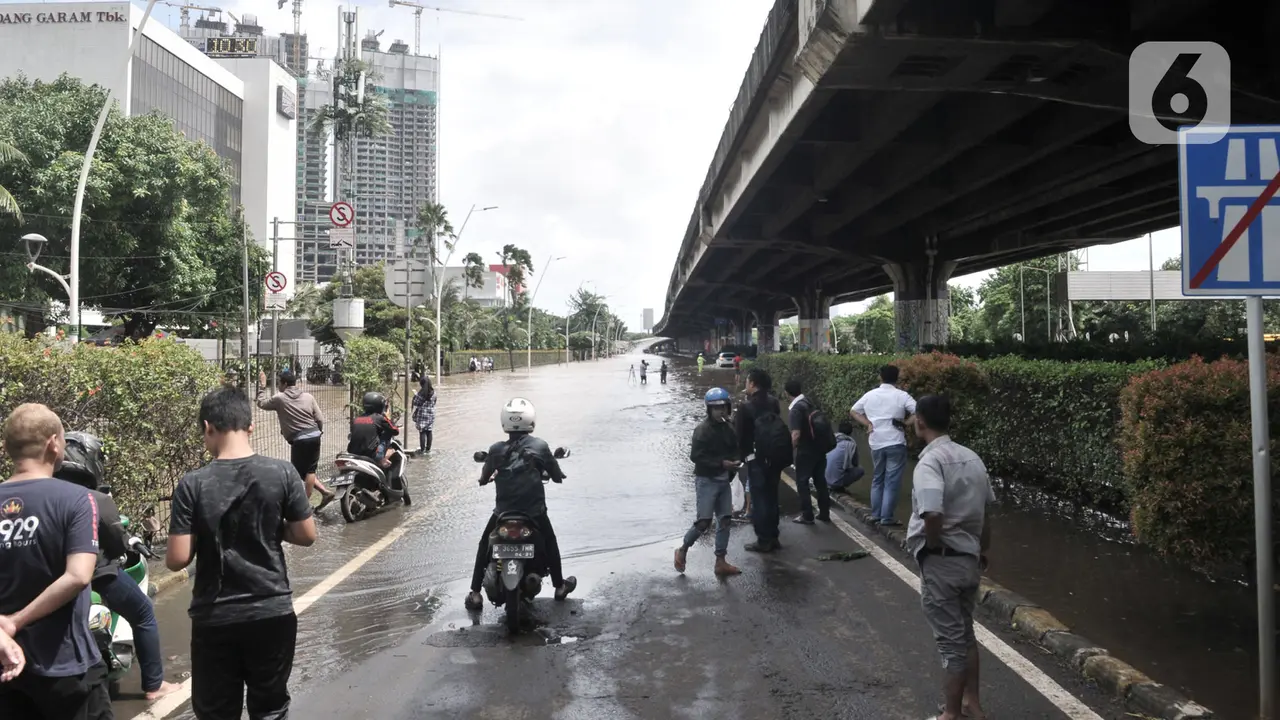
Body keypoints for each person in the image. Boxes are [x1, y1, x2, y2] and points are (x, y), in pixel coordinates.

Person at [166, 385, 317, 720]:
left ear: (208, 427)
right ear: (251, 425)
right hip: (272, 611)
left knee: (217, 712)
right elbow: (306, 535)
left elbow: (177, 558)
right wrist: (272, 528)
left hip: (215, 616)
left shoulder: (193, 484)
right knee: (271, 709)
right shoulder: (282, 472)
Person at [0, 403, 111, 720]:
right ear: (53, 444)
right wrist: (15, 621)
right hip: (65, 666)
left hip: (6, 667)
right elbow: (78, 576)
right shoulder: (77, 499)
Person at [54, 432, 180, 702]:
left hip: (52, 578)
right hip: (98, 575)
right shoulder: (96, 499)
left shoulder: (46, 495)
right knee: (144, 613)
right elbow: (117, 542)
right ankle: (154, 684)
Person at [907, 395, 994, 720]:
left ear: (920, 421)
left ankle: (952, 714)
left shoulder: (930, 463)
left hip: (943, 561)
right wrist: (982, 549)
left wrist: (931, 547)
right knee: (966, 634)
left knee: (950, 642)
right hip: (969, 560)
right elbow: (986, 513)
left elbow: (932, 512)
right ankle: (972, 703)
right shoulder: (972, 458)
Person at [465, 398, 576, 610]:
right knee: (550, 541)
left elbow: (484, 476)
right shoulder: (540, 446)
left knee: (484, 544)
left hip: (503, 513)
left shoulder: (496, 449)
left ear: (505, 422)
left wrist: (485, 480)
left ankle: (476, 593)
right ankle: (560, 586)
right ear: (531, 420)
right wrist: (557, 475)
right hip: (534, 513)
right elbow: (556, 475)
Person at [675, 388, 742, 576]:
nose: (720, 411)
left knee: (725, 519)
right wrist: (721, 463)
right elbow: (696, 456)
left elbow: (735, 449)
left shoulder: (729, 428)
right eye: (716, 408)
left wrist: (735, 461)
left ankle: (720, 561)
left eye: (723, 407)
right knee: (704, 522)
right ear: (709, 410)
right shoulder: (702, 430)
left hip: (724, 480)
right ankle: (683, 549)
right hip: (706, 480)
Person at [257, 370, 335, 509]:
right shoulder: (308, 397)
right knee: (308, 470)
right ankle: (324, 492)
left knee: (300, 472)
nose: (278, 385)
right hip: (314, 435)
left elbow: (261, 403)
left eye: (279, 383)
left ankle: (303, 505)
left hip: (300, 439)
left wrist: (262, 386)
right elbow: (319, 418)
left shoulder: (280, 398)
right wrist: (319, 432)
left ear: (285, 384)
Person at [851, 365, 917, 526]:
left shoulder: (870, 395)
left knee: (878, 478)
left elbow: (854, 411)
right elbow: (919, 411)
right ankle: (887, 517)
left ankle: (875, 514)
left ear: (880, 377)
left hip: (876, 442)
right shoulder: (902, 396)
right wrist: (906, 423)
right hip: (895, 441)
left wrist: (868, 423)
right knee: (892, 481)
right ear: (897, 378)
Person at [734, 368, 789, 552]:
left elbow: (740, 436)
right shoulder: (774, 402)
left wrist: (740, 457)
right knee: (772, 496)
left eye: (747, 381)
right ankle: (773, 536)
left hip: (756, 459)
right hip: (775, 457)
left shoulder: (746, 407)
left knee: (759, 499)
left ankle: (763, 540)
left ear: (752, 384)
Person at [784, 377, 831, 524]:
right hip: (820, 448)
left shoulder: (795, 410)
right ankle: (824, 513)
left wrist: (788, 451)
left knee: (802, 482)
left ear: (786, 393)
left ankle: (807, 515)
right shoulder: (810, 402)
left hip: (806, 451)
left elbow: (796, 435)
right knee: (820, 481)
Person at [348, 391, 399, 469]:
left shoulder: (356, 419)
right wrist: (386, 416)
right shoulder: (379, 418)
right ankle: (381, 459)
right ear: (380, 406)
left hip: (353, 454)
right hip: (372, 455)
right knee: (387, 434)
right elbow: (395, 431)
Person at [825, 419, 864, 492]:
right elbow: (855, 463)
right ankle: (838, 486)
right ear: (851, 432)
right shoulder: (851, 444)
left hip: (822, 478)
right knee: (860, 470)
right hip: (834, 482)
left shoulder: (831, 438)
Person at [411, 377, 437, 456]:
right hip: (431, 414)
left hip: (422, 414)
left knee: (422, 432)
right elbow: (434, 402)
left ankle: (422, 450)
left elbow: (416, 403)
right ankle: (428, 449)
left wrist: (415, 395)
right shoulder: (434, 393)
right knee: (429, 431)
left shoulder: (421, 394)